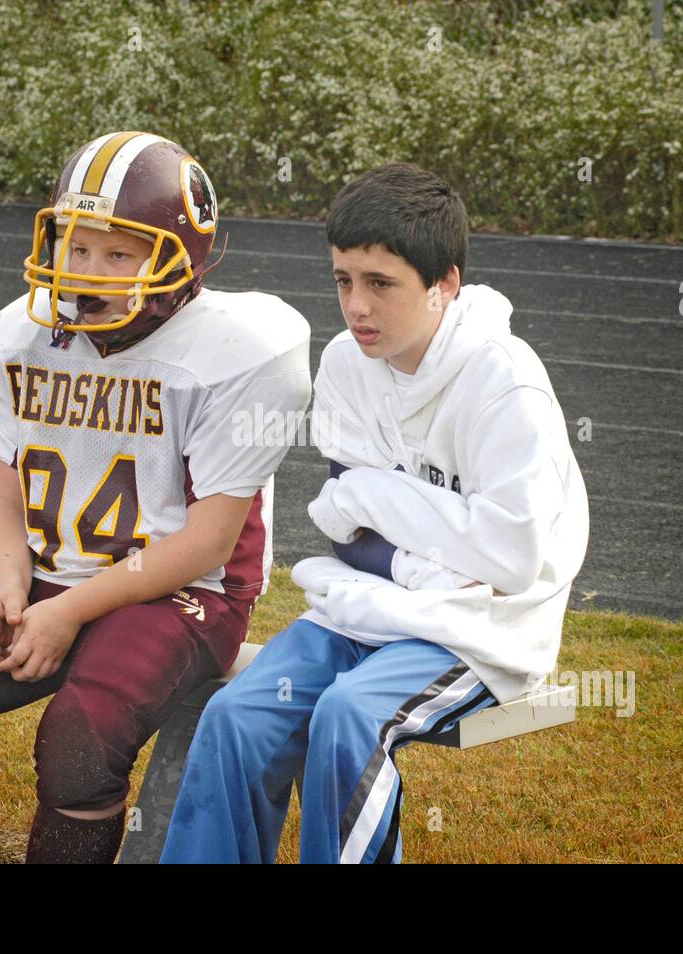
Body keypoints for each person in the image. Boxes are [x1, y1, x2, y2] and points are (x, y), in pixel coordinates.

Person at [0, 131, 312, 864]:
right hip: (54, 574)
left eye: (117, 254)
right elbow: (5, 496)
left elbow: (209, 543)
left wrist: (67, 610)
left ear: (178, 262)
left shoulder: (236, 352)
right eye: (75, 247)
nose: (86, 272)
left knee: (79, 743)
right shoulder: (17, 338)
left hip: (186, 591)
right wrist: (9, 585)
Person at [161, 162, 590, 864]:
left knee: (347, 718)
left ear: (444, 284)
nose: (357, 306)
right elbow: (346, 527)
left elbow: (513, 561)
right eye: (343, 281)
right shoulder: (344, 362)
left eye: (380, 284)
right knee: (235, 718)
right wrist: (437, 553)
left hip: (479, 631)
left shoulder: (504, 382)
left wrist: (388, 508)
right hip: (364, 603)